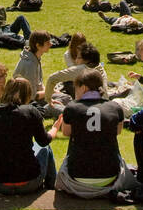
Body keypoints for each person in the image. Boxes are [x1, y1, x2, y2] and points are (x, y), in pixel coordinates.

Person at [52, 68, 135, 198]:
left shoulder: (72, 108)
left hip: (77, 176)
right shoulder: (115, 107)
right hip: (109, 176)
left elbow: (66, 132)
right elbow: (117, 132)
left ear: (84, 88)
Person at [0, 77, 57, 194]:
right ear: (27, 95)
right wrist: (55, 128)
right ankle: (51, 187)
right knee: (46, 148)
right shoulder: (30, 112)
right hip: (29, 182)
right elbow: (44, 141)